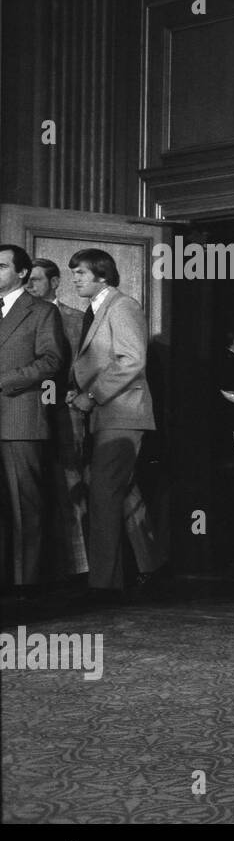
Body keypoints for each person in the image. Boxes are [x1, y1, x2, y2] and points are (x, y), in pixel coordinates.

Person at [66, 249, 156, 598]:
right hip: (108, 414)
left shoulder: (122, 305)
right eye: (73, 273)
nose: (75, 279)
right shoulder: (97, 309)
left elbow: (132, 360)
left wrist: (92, 395)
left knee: (103, 493)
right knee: (122, 491)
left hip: (121, 412)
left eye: (81, 273)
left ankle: (104, 583)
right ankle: (152, 565)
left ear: (102, 275)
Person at [0, 244, 69, 595]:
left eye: (1, 266)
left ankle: (26, 587)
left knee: (26, 507)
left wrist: (6, 380)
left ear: (22, 273)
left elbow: (51, 361)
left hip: (20, 419)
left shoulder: (41, 311)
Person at [25, 257, 90, 581]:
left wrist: (77, 393)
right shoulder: (20, 317)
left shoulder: (75, 320)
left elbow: (89, 363)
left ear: (54, 282)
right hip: (27, 414)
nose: (30, 286)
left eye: (36, 280)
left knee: (71, 485)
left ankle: (78, 569)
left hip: (66, 415)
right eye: (28, 280)